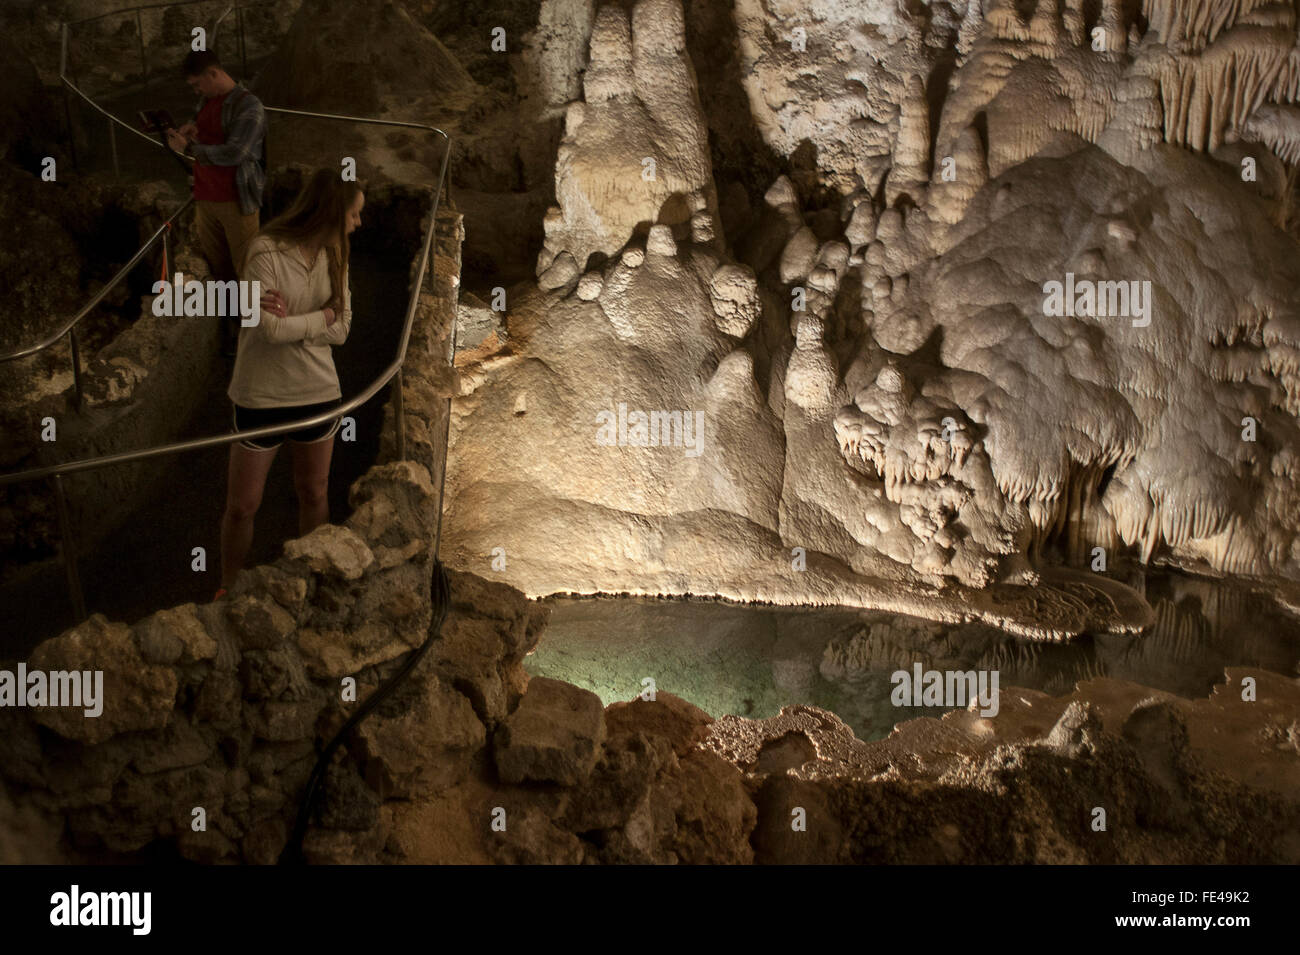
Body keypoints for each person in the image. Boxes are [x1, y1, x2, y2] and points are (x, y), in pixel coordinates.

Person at [215, 170, 364, 598]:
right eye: (353, 215)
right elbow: (267, 331)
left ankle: (312, 580)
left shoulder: (338, 256)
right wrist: (323, 317)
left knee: (313, 490)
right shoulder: (265, 251)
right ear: (331, 213)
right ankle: (228, 584)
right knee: (242, 507)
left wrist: (307, 322)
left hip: (317, 391)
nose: (357, 223)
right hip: (261, 394)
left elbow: (344, 330)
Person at [167, 49, 267, 357]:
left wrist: (192, 148)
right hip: (206, 198)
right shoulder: (207, 101)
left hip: (235, 201)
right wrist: (191, 129)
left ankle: (258, 340)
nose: (196, 91)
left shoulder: (249, 106)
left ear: (214, 73)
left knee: (248, 272)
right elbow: (210, 132)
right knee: (221, 270)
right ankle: (235, 330)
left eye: (198, 84)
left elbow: (236, 152)